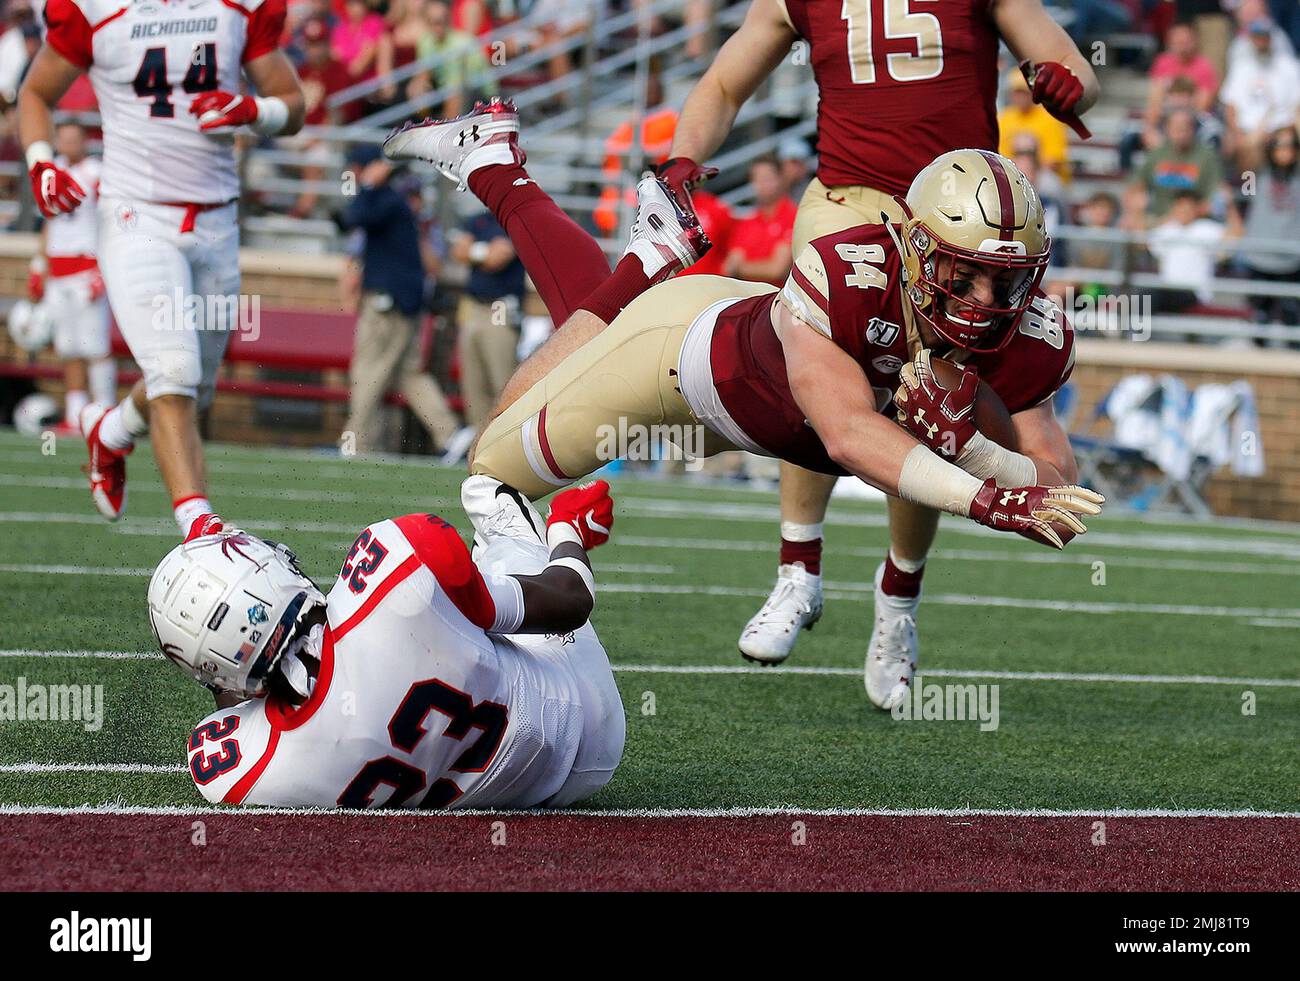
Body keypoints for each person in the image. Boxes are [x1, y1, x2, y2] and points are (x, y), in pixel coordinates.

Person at [385, 107, 1105, 707]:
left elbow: (1057, 492)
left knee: (580, 328)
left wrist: (983, 455)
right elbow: (848, 435)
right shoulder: (850, 270)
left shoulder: (1030, 335)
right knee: (490, 470)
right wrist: (978, 480)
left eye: (1005, 284)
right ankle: (638, 261)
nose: (984, 304)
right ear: (915, 250)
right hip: (677, 370)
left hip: (757, 410)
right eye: (964, 272)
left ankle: (523, 183)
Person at [652, 0, 1098, 702]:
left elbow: (1072, 65)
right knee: (816, 370)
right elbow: (724, 83)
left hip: (957, 219)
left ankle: (899, 596)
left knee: (930, 396)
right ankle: (799, 567)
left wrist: (1068, 83)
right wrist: (684, 156)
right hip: (847, 201)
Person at [155, 477, 625, 809]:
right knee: (485, 491)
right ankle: (544, 532)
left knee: (454, 620)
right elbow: (569, 600)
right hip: (583, 704)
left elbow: (234, 698)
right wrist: (567, 530)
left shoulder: (232, 769)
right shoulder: (395, 564)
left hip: (543, 789)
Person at [18, 0, 305, 533]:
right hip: (137, 215)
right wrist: (41, 162)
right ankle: (201, 529)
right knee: (174, 370)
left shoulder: (239, 8)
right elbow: (35, 91)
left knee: (196, 388)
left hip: (217, 222)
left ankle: (111, 432)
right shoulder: (95, 8)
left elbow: (293, 104)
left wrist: (254, 111)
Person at [337, 143, 458, 455]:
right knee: (408, 373)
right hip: (404, 300)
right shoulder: (391, 201)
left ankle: (357, 441)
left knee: (369, 369)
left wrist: (367, 184)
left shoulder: (387, 199)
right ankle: (452, 436)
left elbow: (354, 217)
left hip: (389, 302)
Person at [28, 120, 114, 433]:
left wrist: (103, 269)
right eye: (62, 139)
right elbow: (49, 222)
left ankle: (104, 412)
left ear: (84, 141)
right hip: (59, 271)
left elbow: (112, 223)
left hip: (86, 266)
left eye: (72, 139)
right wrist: (40, 265)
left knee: (95, 346)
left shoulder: (97, 173)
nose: (67, 145)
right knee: (68, 346)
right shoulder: (52, 172)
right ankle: (77, 413)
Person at [450, 208, 525, 450]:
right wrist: (481, 251)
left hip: (500, 310)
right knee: (474, 386)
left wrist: (474, 252)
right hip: (474, 307)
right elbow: (458, 252)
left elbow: (498, 258)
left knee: (502, 385)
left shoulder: (514, 218)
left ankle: (509, 447)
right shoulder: (479, 219)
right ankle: (480, 449)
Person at [1237, 125, 1300, 328]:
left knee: (1293, 321)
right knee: (1258, 321)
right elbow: (1246, 153)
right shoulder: (1256, 177)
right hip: (1259, 258)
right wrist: (1264, 126)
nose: (1285, 149)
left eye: (1291, 145)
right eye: (1279, 144)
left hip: (1292, 259)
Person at [723, 155, 796, 287]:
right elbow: (729, 267)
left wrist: (740, 269)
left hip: (781, 298)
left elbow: (777, 270)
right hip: (751, 299)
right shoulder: (747, 222)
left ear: (780, 179)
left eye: (767, 178)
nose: (762, 184)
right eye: (757, 179)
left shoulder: (792, 215)